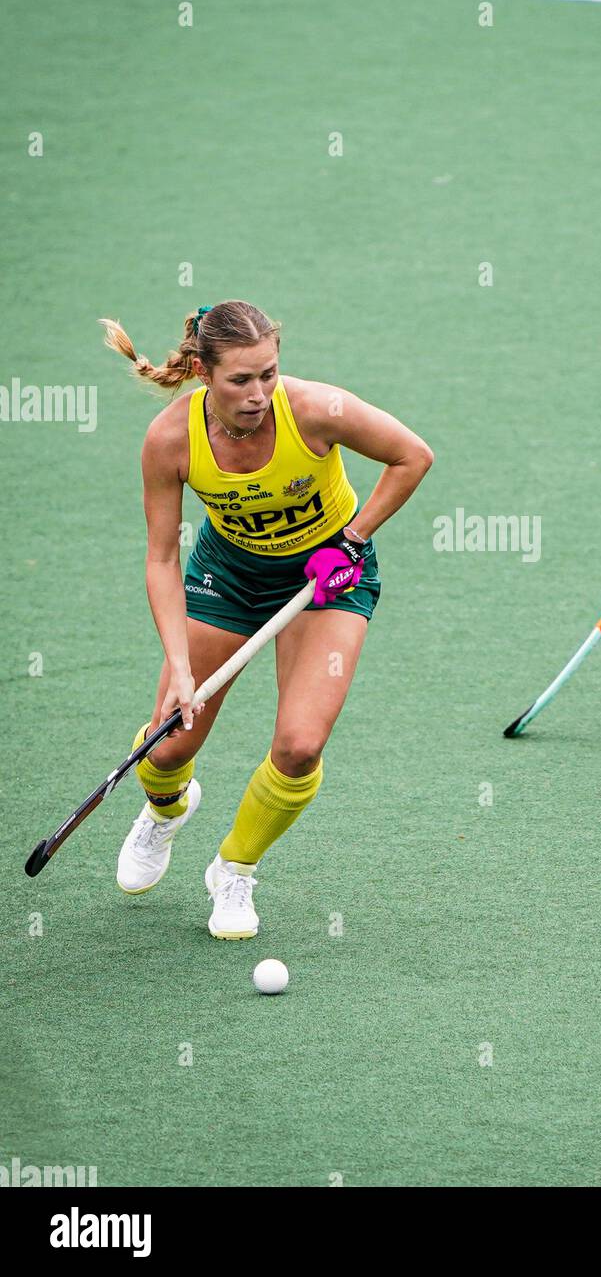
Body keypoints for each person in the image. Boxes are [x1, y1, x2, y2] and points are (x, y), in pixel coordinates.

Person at [101, 299, 433, 936]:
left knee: (301, 745)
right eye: (240, 380)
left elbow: (412, 456)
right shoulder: (170, 440)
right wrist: (177, 663)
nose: (258, 395)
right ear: (203, 372)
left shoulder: (315, 410)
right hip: (227, 578)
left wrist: (354, 539)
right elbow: (162, 557)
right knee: (168, 744)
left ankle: (235, 869)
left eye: (269, 374)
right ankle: (166, 811)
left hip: (329, 577)